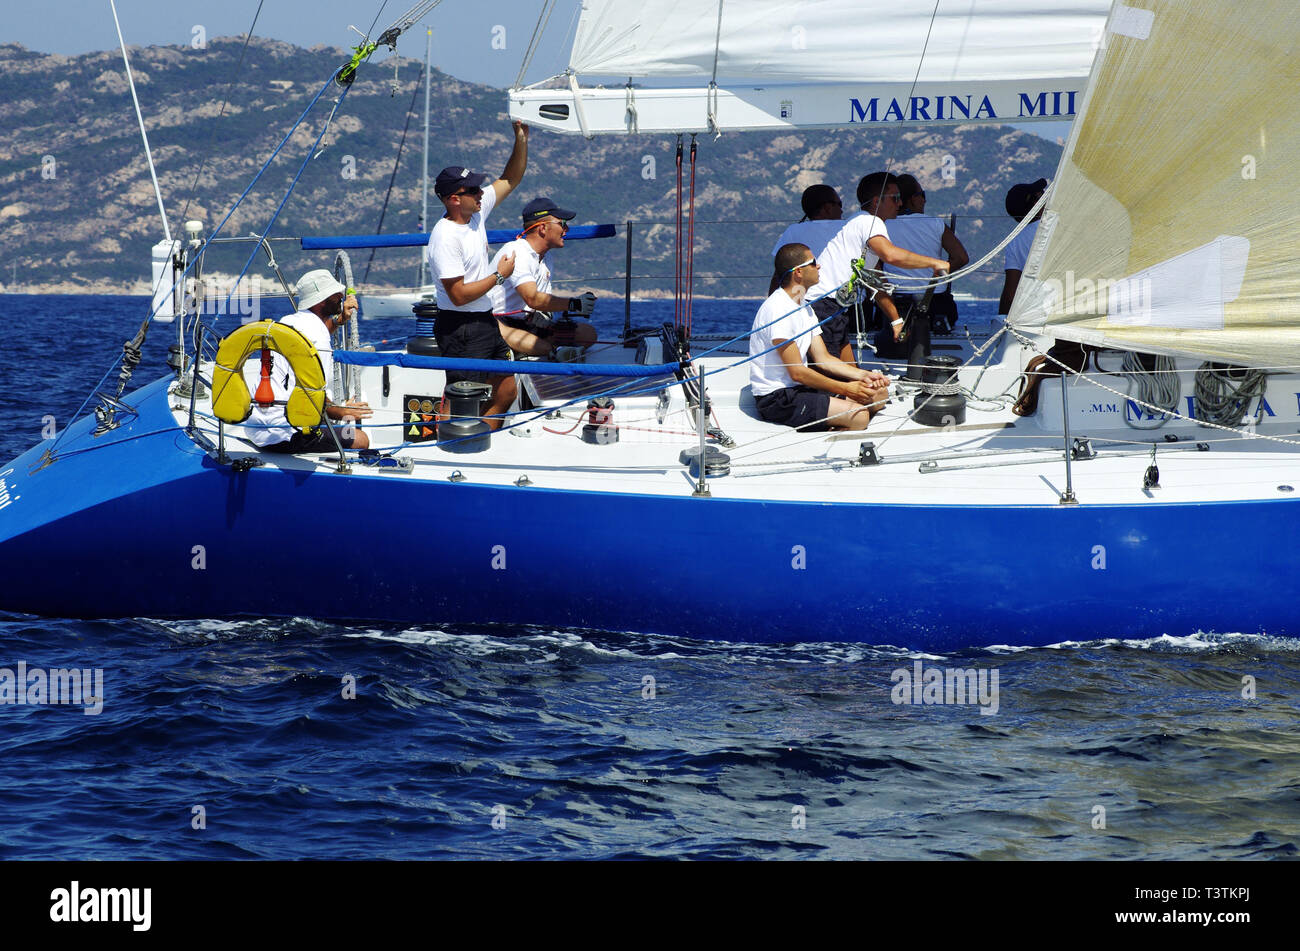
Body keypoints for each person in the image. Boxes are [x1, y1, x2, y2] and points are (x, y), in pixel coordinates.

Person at [425, 119, 530, 429]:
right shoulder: (445, 238)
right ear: (454, 199)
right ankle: (446, 451)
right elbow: (457, 296)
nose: (480, 193)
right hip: (460, 327)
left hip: (484, 320)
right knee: (460, 399)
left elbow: (511, 178)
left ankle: (482, 440)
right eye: (472, 190)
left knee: (507, 390)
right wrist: (499, 276)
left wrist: (520, 139)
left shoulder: (475, 214)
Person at [806, 172, 950, 369]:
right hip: (823, 308)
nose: (900, 204)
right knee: (833, 375)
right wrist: (935, 263)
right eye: (895, 198)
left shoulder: (861, 223)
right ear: (876, 201)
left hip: (832, 309)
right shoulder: (869, 222)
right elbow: (890, 255)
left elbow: (875, 282)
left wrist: (895, 320)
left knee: (851, 372)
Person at [749, 242, 893, 431]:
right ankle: (837, 426)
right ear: (798, 272)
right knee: (860, 416)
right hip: (778, 398)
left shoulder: (804, 308)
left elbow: (823, 359)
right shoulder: (778, 309)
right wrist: (846, 388)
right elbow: (797, 372)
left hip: (799, 389)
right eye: (813, 263)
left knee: (879, 395)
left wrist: (865, 375)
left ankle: (834, 420)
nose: (819, 266)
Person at [242, 269, 372, 452]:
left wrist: (340, 319)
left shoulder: (287, 321)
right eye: (335, 294)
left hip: (257, 429)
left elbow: (314, 336)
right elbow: (314, 397)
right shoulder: (319, 338)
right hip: (286, 434)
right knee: (360, 439)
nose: (341, 296)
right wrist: (343, 411)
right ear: (320, 301)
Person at [997, 178, 1091, 417]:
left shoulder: (1016, 241)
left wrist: (1003, 323)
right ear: (1035, 203)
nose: (1046, 195)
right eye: (1040, 193)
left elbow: (1011, 292)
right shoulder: (1070, 227)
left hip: (1043, 319)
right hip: (1080, 315)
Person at [488, 197, 599, 356]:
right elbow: (532, 299)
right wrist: (574, 304)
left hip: (526, 322)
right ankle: (551, 350)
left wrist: (546, 315)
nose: (567, 229)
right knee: (540, 346)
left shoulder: (547, 259)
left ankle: (537, 349)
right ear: (542, 228)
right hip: (497, 321)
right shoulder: (517, 251)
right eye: (562, 224)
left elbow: (542, 300)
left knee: (588, 334)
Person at [886, 174, 968, 333]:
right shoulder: (936, 224)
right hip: (936, 303)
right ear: (912, 199)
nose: (924, 200)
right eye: (922, 195)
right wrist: (939, 275)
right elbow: (961, 258)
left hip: (894, 304)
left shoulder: (883, 226)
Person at [767, 184, 845, 294]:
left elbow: (779, 273)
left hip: (804, 299)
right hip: (847, 301)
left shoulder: (793, 231)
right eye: (839, 204)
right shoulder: (849, 226)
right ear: (827, 207)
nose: (842, 210)